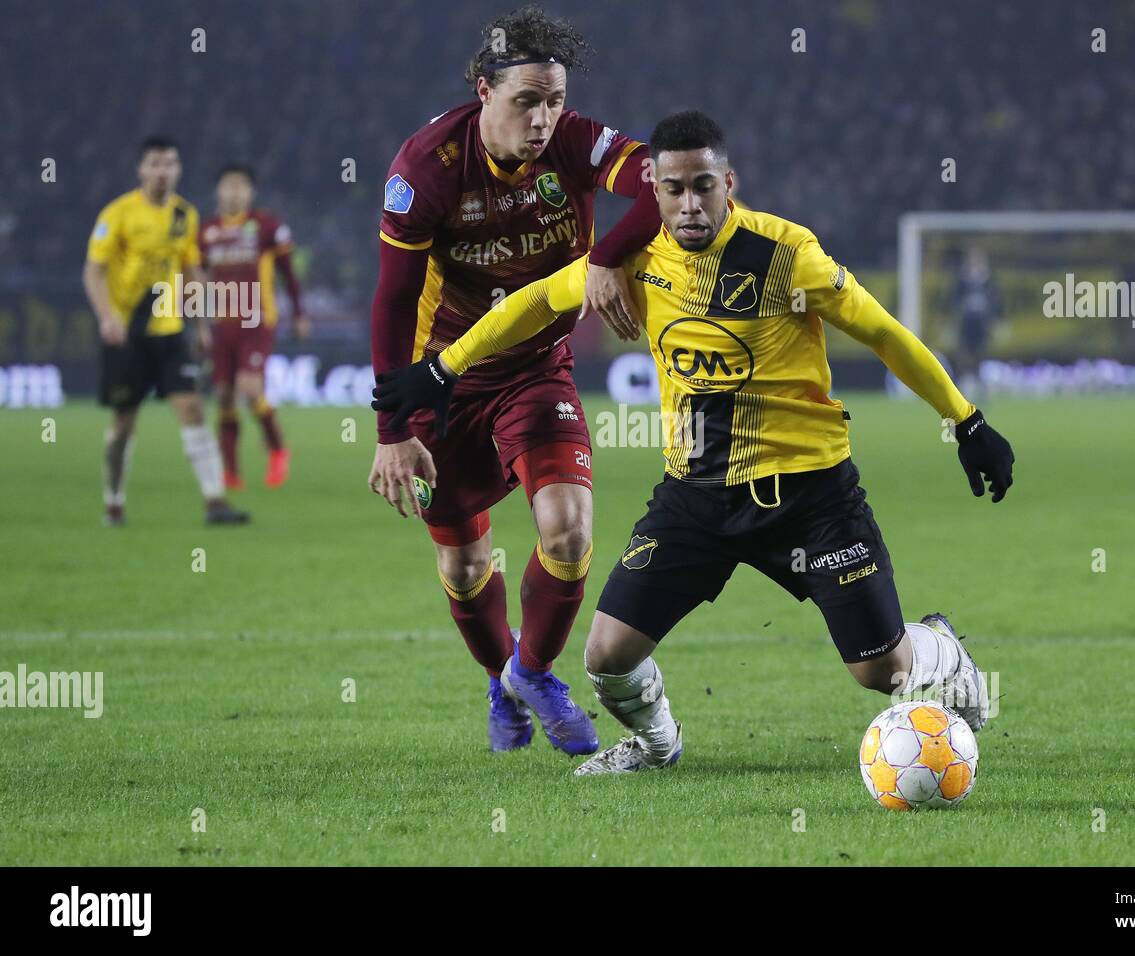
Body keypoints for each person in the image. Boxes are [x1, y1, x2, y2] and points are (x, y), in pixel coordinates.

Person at [375, 111, 1016, 776]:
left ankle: (941, 649)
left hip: (811, 495)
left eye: (703, 185)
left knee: (880, 670)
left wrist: (966, 421)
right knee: (606, 655)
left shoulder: (785, 253)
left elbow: (884, 333)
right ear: (653, 192)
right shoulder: (632, 263)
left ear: (728, 183)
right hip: (697, 497)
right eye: (673, 188)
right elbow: (531, 304)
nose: (689, 203)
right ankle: (657, 744)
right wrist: (442, 369)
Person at [367, 6, 664, 754]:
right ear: (483, 90)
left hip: (537, 369)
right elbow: (395, 300)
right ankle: (502, 677)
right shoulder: (426, 167)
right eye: (527, 101)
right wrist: (392, 433)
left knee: (568, 529)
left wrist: (604, 261)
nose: (544, 118)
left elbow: (662, 183)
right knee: (465, 563)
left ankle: (534, 672)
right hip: (444, 380)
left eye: (555, 100)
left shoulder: (573, 143)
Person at [84, 136, 248, 526]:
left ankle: (215, 502)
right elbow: (94, 270)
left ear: (178, 169)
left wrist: (201, 323)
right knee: (124, 421)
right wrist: (107, 317)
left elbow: (189, 268)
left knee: (191, 408)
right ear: (142, 170)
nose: (163, 171)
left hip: (169, 329)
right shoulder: (118, 214)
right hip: (127, 332)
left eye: (170, 163)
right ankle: (114, 500)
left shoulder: (184, 215)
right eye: (155, 164)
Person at [199, 164, 307, 490]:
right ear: (218, 191)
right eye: (228, 186)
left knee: (249, 389)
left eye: (241, 186)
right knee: (224, 396)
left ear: (251, 191)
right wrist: (201, 324)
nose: (234, 192)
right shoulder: (205, 231)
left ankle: (277, 449)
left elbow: (288, 273)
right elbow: (199, 279)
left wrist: (299, 313)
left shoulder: (266, 226)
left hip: (257, 320)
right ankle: (230, 472)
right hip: (221, 324)